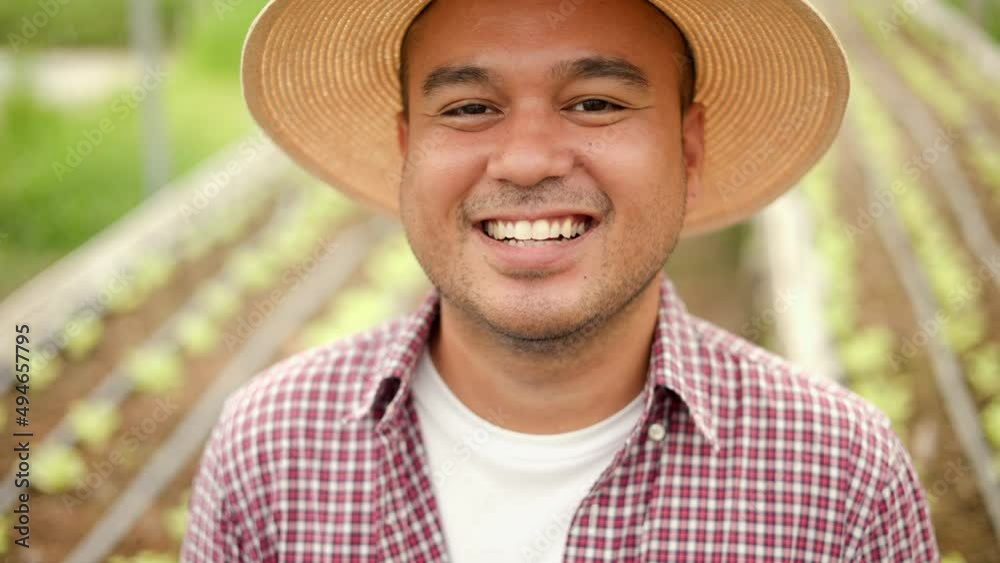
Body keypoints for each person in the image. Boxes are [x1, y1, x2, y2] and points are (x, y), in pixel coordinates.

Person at [182, 0, 939, 561]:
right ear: (408, 150)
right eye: (470, 107)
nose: (527, 159)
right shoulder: (272, 451)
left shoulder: (839, 476)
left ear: (688, 148)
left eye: (596, 103)